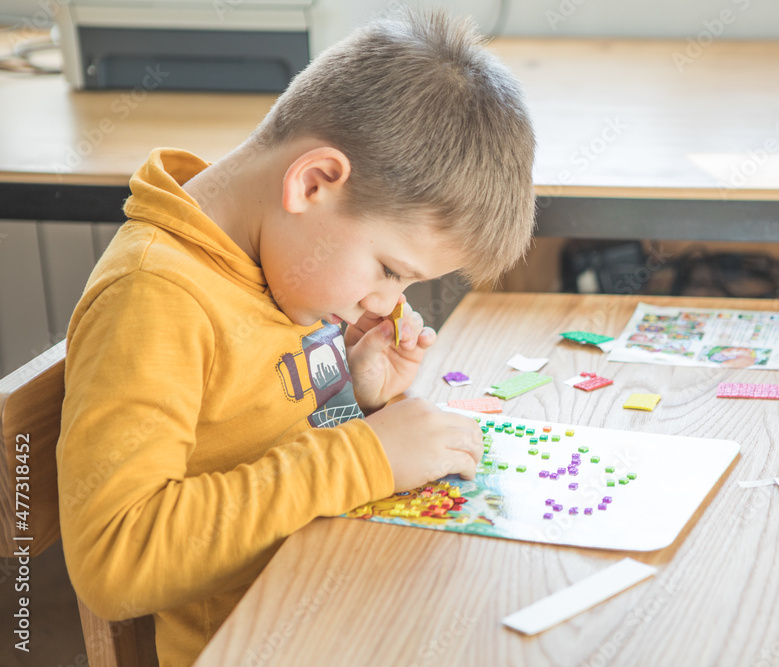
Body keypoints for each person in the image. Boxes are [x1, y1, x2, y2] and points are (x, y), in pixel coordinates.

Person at [55, 8, 535, 666]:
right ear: (313, 182)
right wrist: (365, 455)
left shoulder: (279, 265)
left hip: (342, 602)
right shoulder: (153, 298)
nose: (388, 302)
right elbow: (114, 560)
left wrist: (352, 397)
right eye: (391, 270)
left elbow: (262, 433)